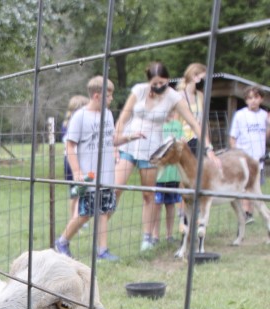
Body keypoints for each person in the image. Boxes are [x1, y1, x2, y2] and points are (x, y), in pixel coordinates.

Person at [113, 61, 219, 252]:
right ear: (149, 81)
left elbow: (195, 124)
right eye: (155, 83)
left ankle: (148, 238)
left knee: (148, 194)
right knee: (115, 188)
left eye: (163, 82)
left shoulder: (173, 97)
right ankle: (101, 237)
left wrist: (208, 147)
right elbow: (123, 118)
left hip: (152, 149)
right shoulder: (139, 91)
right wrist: (116, 141)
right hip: (128, 143)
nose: (159, 86)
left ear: (168, 80)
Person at [54, 76, 137, 261]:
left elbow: (112, 140)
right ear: (97, 96)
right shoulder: (80, 117)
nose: (112, 99)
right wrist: (77, 171)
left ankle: (102, 250)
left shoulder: (107, 114)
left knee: (103, 211)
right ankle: (61, 241)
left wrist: (130, 137)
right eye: (109, 96)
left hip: (107, 174)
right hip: (89, 175)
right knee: (86, 213)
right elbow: (70, 146)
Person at [229, 86, 269, 223]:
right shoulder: (240, 115)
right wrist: (235, 154)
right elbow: (233, 137)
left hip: (259, 159)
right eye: (250, 98)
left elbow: (266, 136)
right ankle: (246, 213)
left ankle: (250, 213)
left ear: (261, 99)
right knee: (245, 187)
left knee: (255, 187)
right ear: (246, 100)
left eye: (256, 97)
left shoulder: (264, 115)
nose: (253, 101)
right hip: (244, 159)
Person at [152, 112, 184, 244]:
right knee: (157, 205)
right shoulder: (156, 125)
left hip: (173, 174)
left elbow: (182, 145)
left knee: (171, 205)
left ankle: (169, 235)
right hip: (159, 175)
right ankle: (154, 236)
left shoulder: (178, 125)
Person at [63, 94, 91, 221]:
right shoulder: (74, 125)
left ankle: (78, 216)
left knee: (78, 191)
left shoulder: (66, 125)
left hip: (71, 160)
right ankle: (75, 218)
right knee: (77, 191)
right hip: (74, 161)